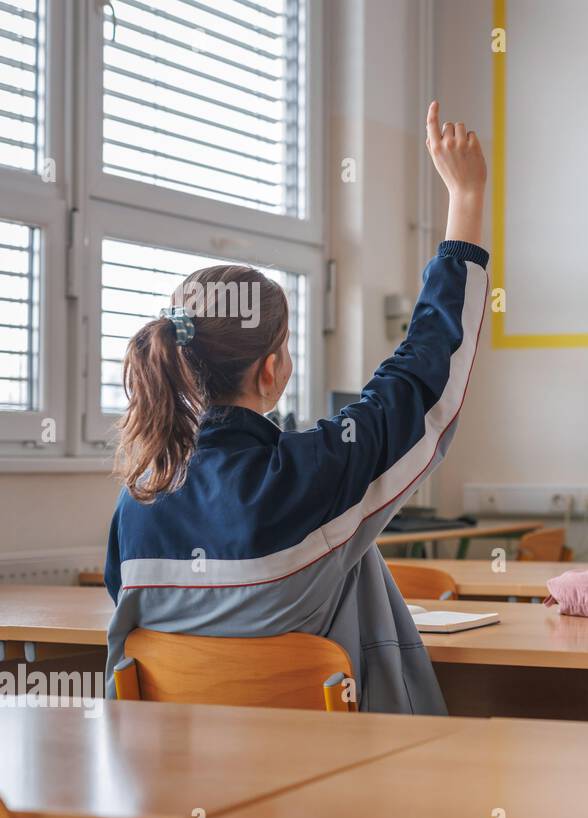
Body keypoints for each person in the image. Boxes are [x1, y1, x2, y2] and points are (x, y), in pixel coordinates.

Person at [102, 102, 489, 714]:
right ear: (272, 369)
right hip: (322, 779)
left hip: (175, 786)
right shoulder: (309, 473)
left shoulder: (139, 502)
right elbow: (420, 378)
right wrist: (464, 201)